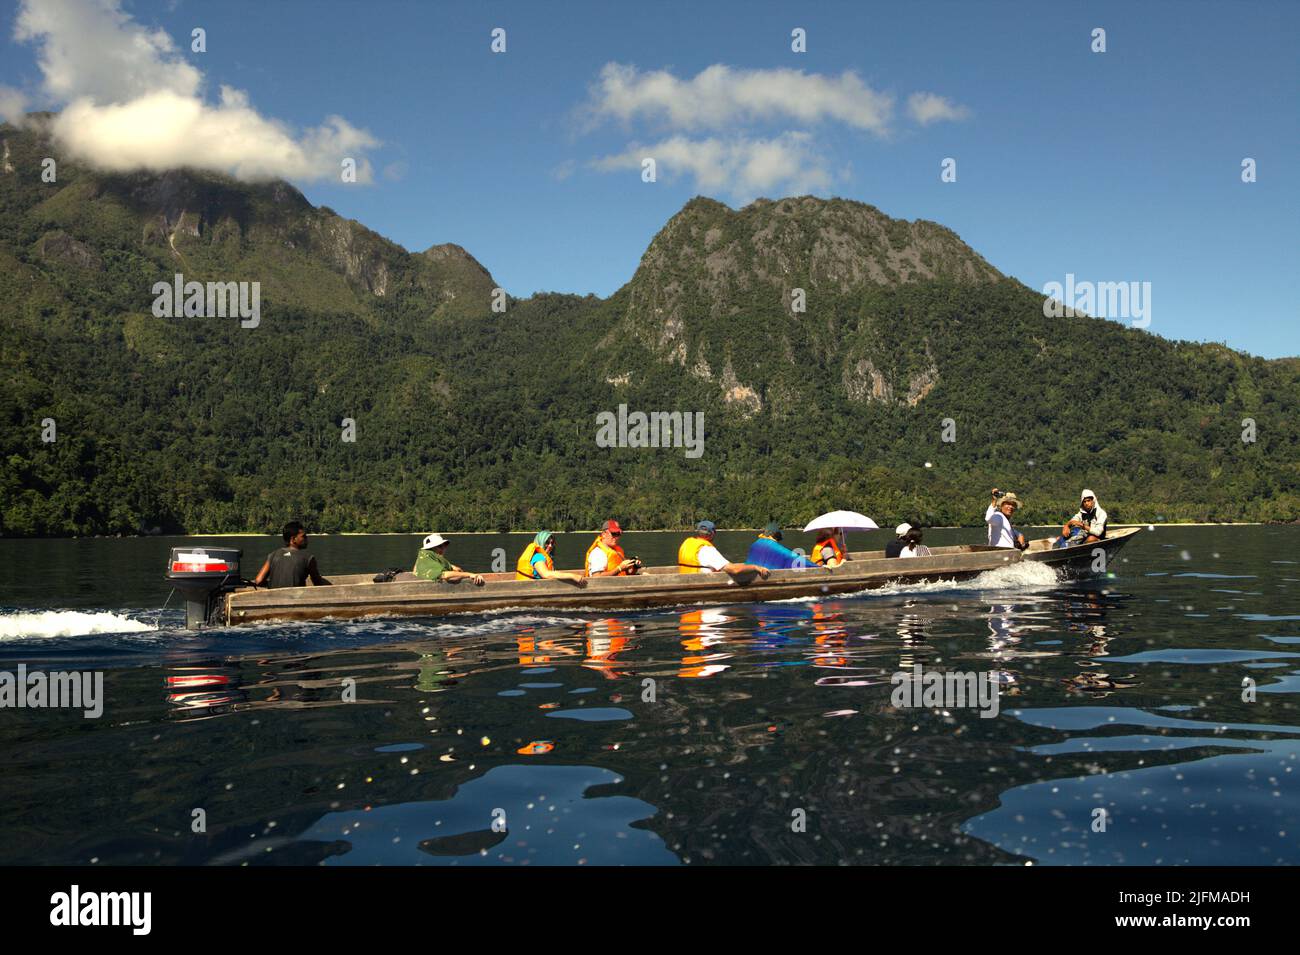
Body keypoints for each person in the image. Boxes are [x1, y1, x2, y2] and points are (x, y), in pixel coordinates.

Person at [678, 521, 771, 578]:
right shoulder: (707, 550)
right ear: (712, 534)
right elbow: (735, 570)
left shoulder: (686, 543)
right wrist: (755, 567)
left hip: (688, 581)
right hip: (700, 585)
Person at [253, 520, 330, 588]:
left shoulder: (273, 555)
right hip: (295, 600)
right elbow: (318, 584)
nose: (306, 539)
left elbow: (258, 581)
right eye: (303, 536)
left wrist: (272, 584)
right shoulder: (308, 558)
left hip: (274, 599)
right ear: (293, 539)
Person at [516, 531, 587, 586]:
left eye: (552, 543)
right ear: (540, 541)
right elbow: (546, 574)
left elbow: (552, 573)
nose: (550, 546)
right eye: (547, 542)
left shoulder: (544, 557)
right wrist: (572, 576)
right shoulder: (538, 556)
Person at [413, 534, 485, 585]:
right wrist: (470, 575)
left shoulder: (426, 558)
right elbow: (445, 575)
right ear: (430, 549)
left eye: (444, 546)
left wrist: (453, 568)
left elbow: (457, 570)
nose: (443, 549)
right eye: (440, 546)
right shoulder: (426, 558)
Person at [746, 521, 812, 570]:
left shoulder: (756, 543)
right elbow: (789, 556)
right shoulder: (774, 546)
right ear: (775, 536)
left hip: (750, 573)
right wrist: (814, 566)